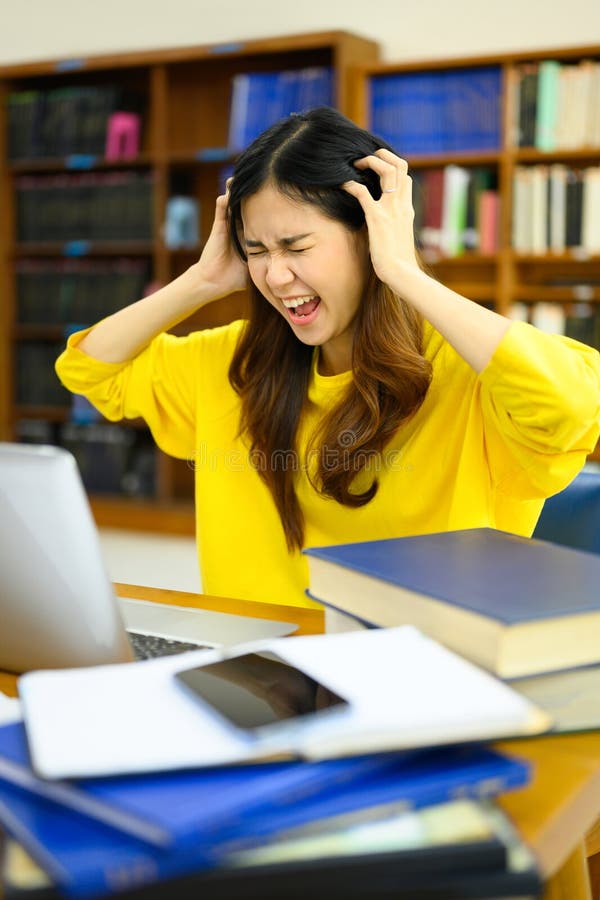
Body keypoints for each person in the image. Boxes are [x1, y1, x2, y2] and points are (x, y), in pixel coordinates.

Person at [55, 107, 600, 610]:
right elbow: (89, 369)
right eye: (257, 250)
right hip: (260, 672)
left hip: (423, 681)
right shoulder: (235, 361)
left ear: (369, 237)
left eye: (295, 246)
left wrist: (404, 271)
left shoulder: (467, 376)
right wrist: (200, 281)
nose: (275, 276)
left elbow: (571, 407)